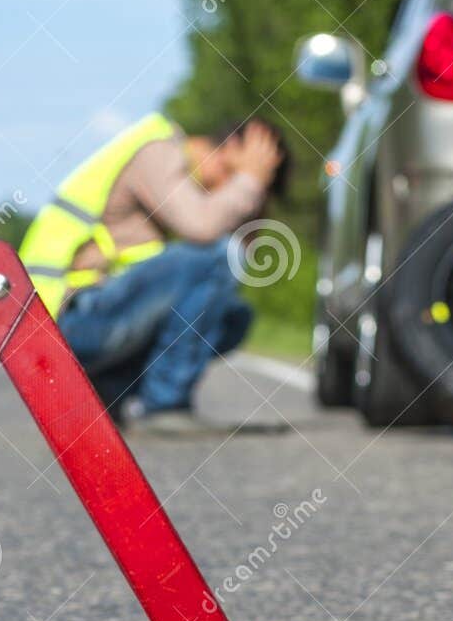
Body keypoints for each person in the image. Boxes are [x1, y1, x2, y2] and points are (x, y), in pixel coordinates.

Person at [18, 114, 288, 436]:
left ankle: (106, 391)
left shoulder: (171, 177)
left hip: (85, 319)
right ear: (228, 149)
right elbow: (204, 228)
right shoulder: (158, 150)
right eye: (234, 176)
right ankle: (163, 404)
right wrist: (250, 180)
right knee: (213, 255)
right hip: (59, 322)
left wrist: (248, 195)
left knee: (233, 317)